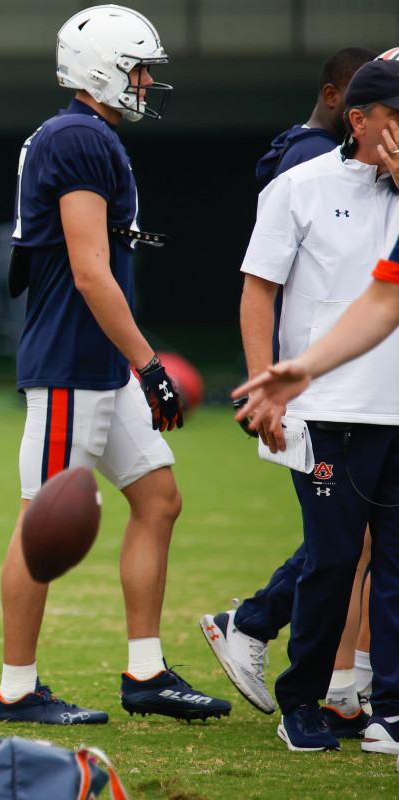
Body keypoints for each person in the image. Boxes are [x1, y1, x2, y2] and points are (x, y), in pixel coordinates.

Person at [0, 4, 230, 726]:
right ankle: (17, 688)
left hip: (94, 362)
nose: (148, 81)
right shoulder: (80, 138)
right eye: (138, 68)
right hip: (72, 362)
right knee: (43, 524)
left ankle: (146, 672)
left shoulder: (84, 135)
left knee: (158, 498)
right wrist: (150, 363)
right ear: (103, 68)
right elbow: (92, 271)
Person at [225, 55, 399, 753]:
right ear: (358, 120)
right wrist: (265, 385)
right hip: (326, 409)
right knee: (330, 562)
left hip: (395, 408)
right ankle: (304, 700)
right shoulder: (300, 185)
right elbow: (258, 289)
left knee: (393, 566)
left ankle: (389, 707)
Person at [256, 48, 375, 185]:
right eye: (365, 98)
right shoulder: (318, 152)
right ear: (330, 96)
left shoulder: (303, 144)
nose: (372, 109)